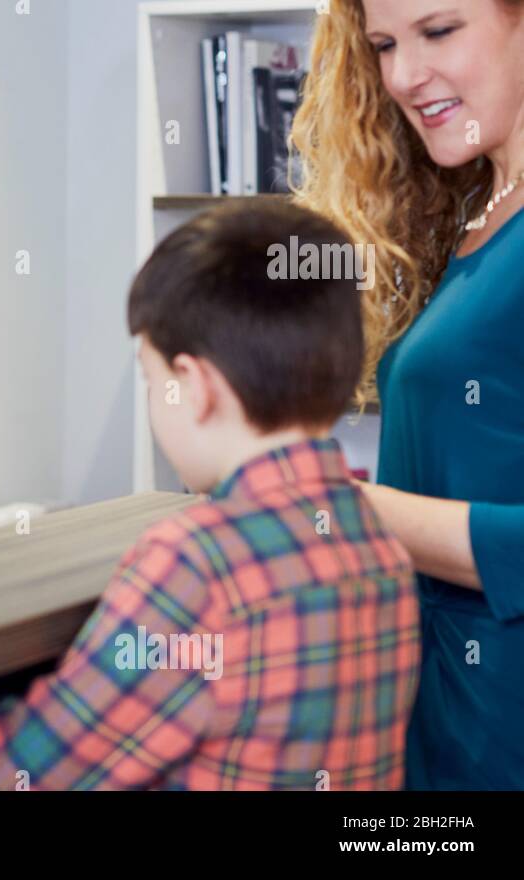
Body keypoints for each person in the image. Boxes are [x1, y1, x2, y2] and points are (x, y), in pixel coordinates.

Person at [0, 202, 420, 790]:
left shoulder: (196, 565)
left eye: (152, 379)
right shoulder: (381, 542)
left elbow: (18, 776)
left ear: (193, 389)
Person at [292, 0, 524, 789]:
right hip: (441, 719)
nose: (401, 76)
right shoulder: (478, 218)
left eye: (439, 31)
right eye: (384, 46)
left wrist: (343, 508)